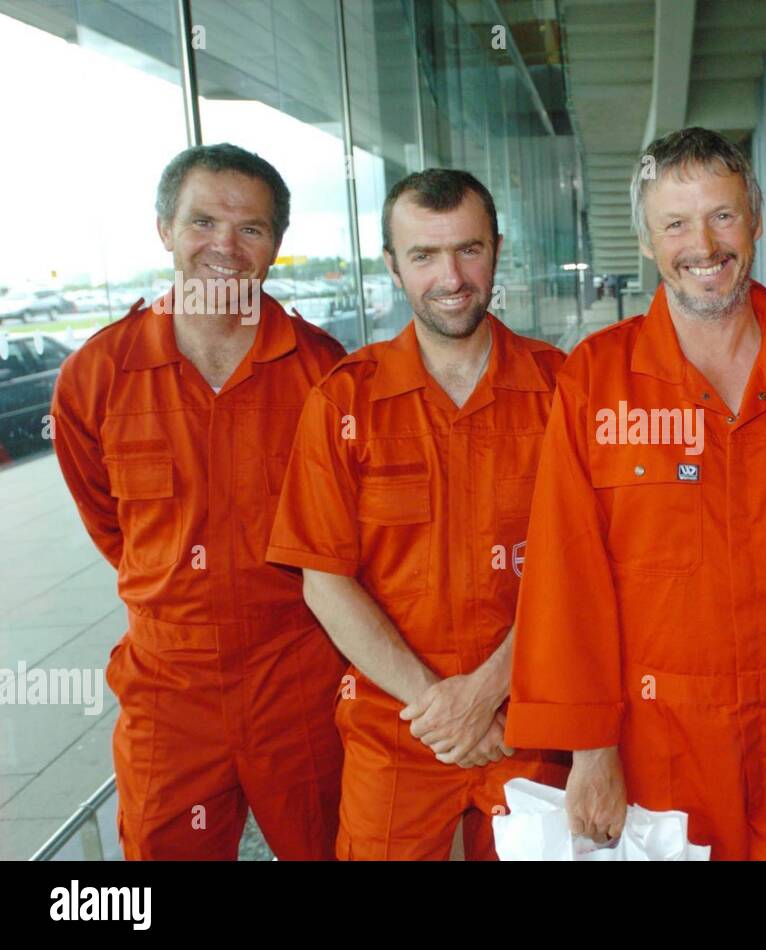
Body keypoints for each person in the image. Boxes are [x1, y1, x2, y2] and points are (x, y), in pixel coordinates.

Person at [506, 128, 766, 860]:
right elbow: (565, 575)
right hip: (660, 743)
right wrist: (590, 751)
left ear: (756, 221)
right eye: (675, 224)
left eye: (722, 216)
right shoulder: (596, 382)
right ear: (647, 241)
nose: (703, 245)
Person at [51, 143, 347, 859]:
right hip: (168, 690)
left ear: (276, 243)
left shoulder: (326, 373)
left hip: (302, 679)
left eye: (251, 229)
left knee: (332, 847)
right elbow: (111, 526)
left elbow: (350, 535)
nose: (226, 246)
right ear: (165, 229)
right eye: (203, 222)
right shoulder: (97, 376)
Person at [266, 169, 569, 860]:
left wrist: (486, 692)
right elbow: (324, 581)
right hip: (397, 724)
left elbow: (585, 568)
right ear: (393, 265)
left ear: (497, 249)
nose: (451, 277)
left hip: (533, 721)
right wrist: (443, 707)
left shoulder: (562, 389)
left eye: (468, 249)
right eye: (424, 255)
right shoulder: (344, 402)